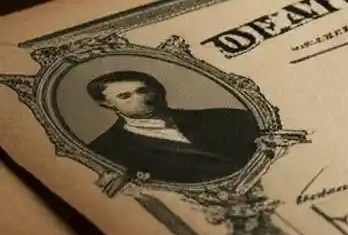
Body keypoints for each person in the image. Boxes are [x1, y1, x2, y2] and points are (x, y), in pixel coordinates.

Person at [84, 69, 259, 184]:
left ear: (158, 91)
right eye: (124, 96)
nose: (140, 99)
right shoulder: (102, 155)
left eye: (143, 91)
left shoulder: (230, 117)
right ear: (107, 104)